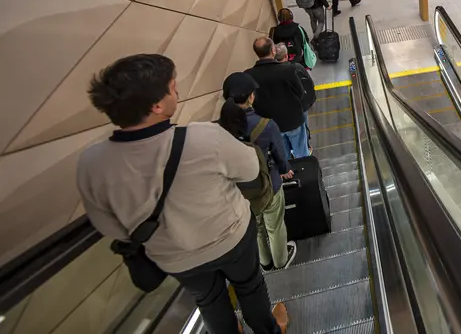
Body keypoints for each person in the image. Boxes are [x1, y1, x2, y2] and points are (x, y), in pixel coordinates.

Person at [77, 54, 287, 334]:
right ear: (157, 105)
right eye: (172, 87)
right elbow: (250, 170)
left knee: (209, 301)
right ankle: (268, 330)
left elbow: (110, 227)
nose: (177, 91)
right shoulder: (204, 138)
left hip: (175, 258)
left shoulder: (93, 164)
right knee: (249, 286)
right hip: (231, 239)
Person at [220, 73, 297, 272]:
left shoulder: (220, 128)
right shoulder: (266, 125)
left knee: (257, 227)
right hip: (267, 185)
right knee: (275, 226)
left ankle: (265, 262)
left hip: (239, 192)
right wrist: (285, 170)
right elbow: (280, 156)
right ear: (251, 97)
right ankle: (281, 261)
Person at [246, 37, 310, 159]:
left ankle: (288, 176)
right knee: (302, 154)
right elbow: (300, 93)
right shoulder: (287, 70)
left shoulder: (249, 75)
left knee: (282, 156)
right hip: (293, 120)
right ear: (273, 51)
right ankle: (305, 172)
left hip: (270, 125)